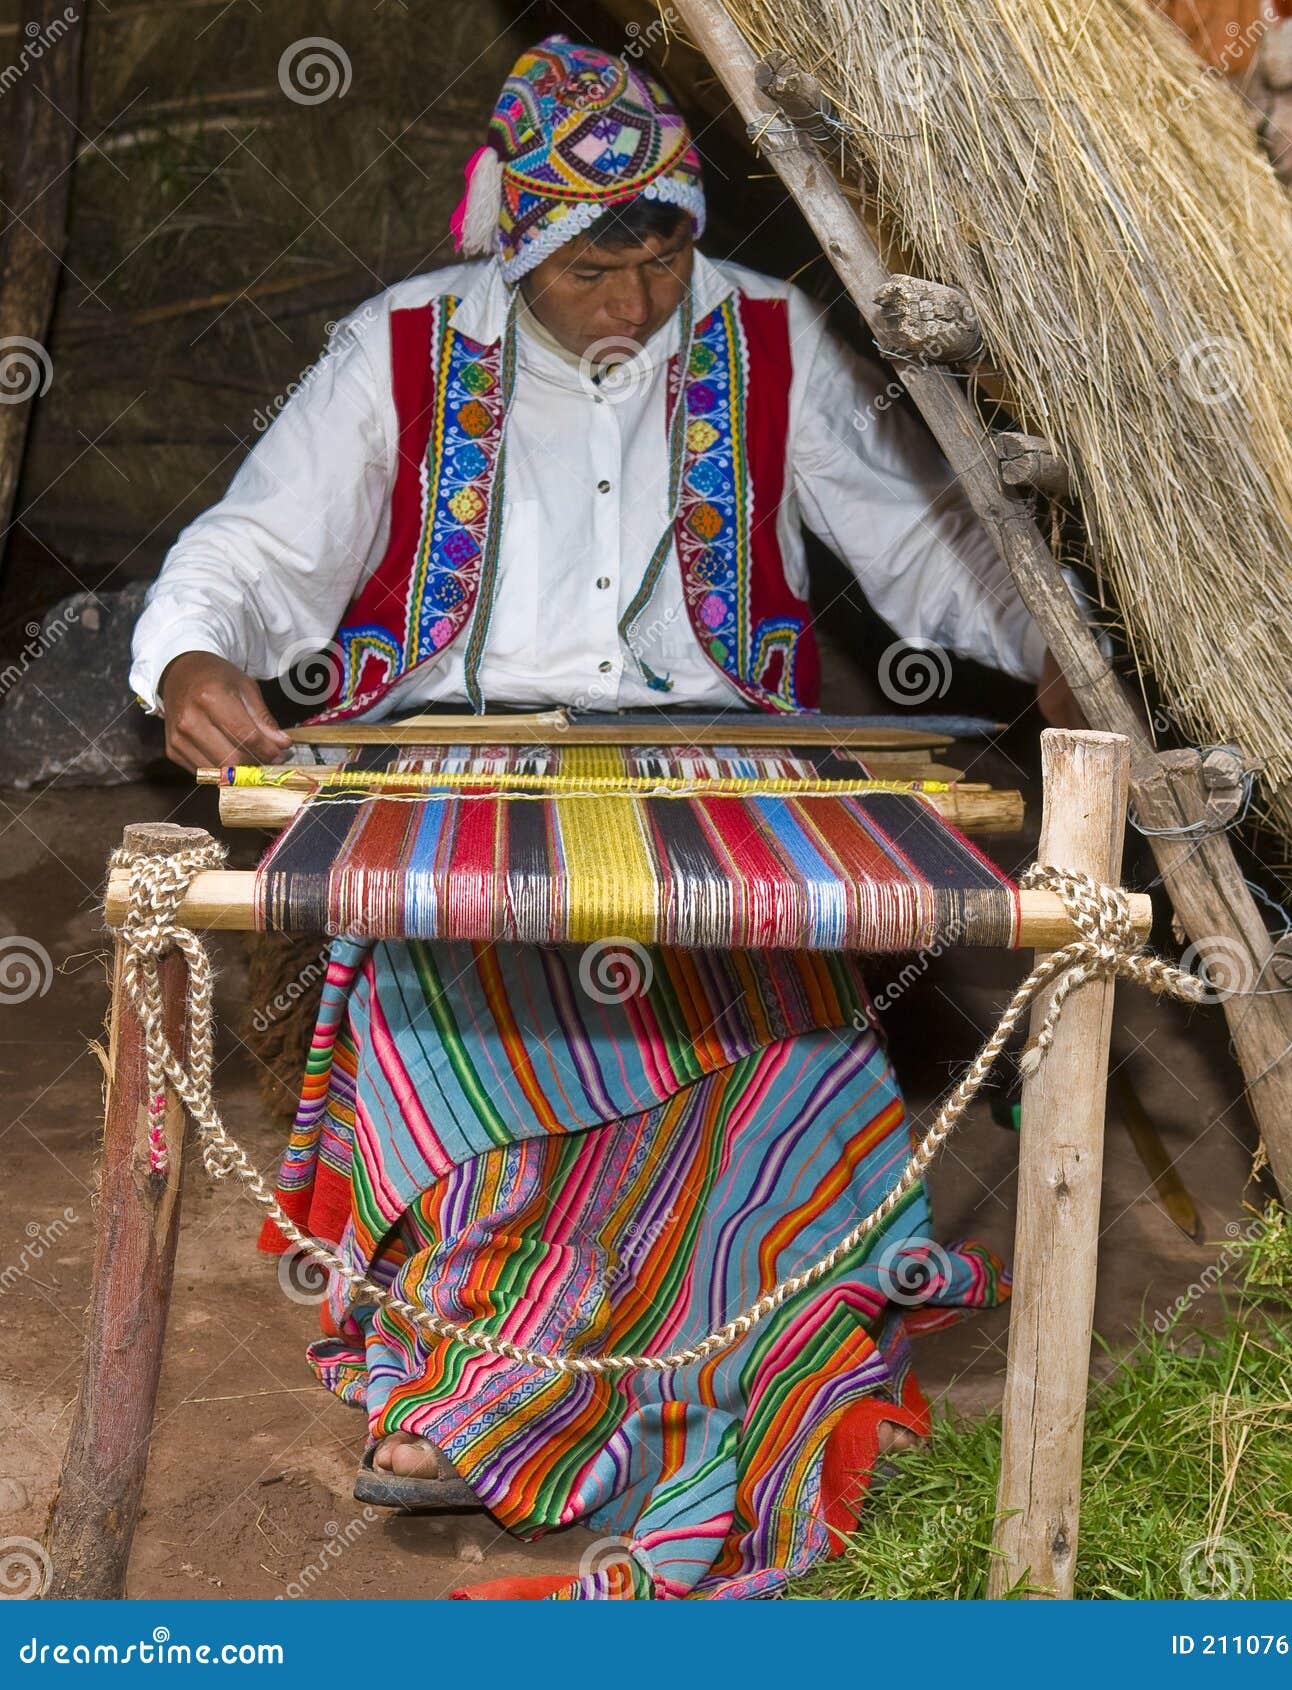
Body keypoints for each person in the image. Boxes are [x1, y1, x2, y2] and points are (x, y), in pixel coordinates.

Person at [131, 36, 1079, 1600]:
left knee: (771, 989)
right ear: (514, 241)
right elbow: (254, 545)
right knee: (491, 997)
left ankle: (750, 1336)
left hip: (720, 774)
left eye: (664, 257)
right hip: (460, 771)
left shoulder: (769, 343)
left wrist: (1040, 643)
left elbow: (922, 547)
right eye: (591, 270)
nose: (638, 305)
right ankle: (490, 1385)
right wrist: (189, 654)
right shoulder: (404, 349)